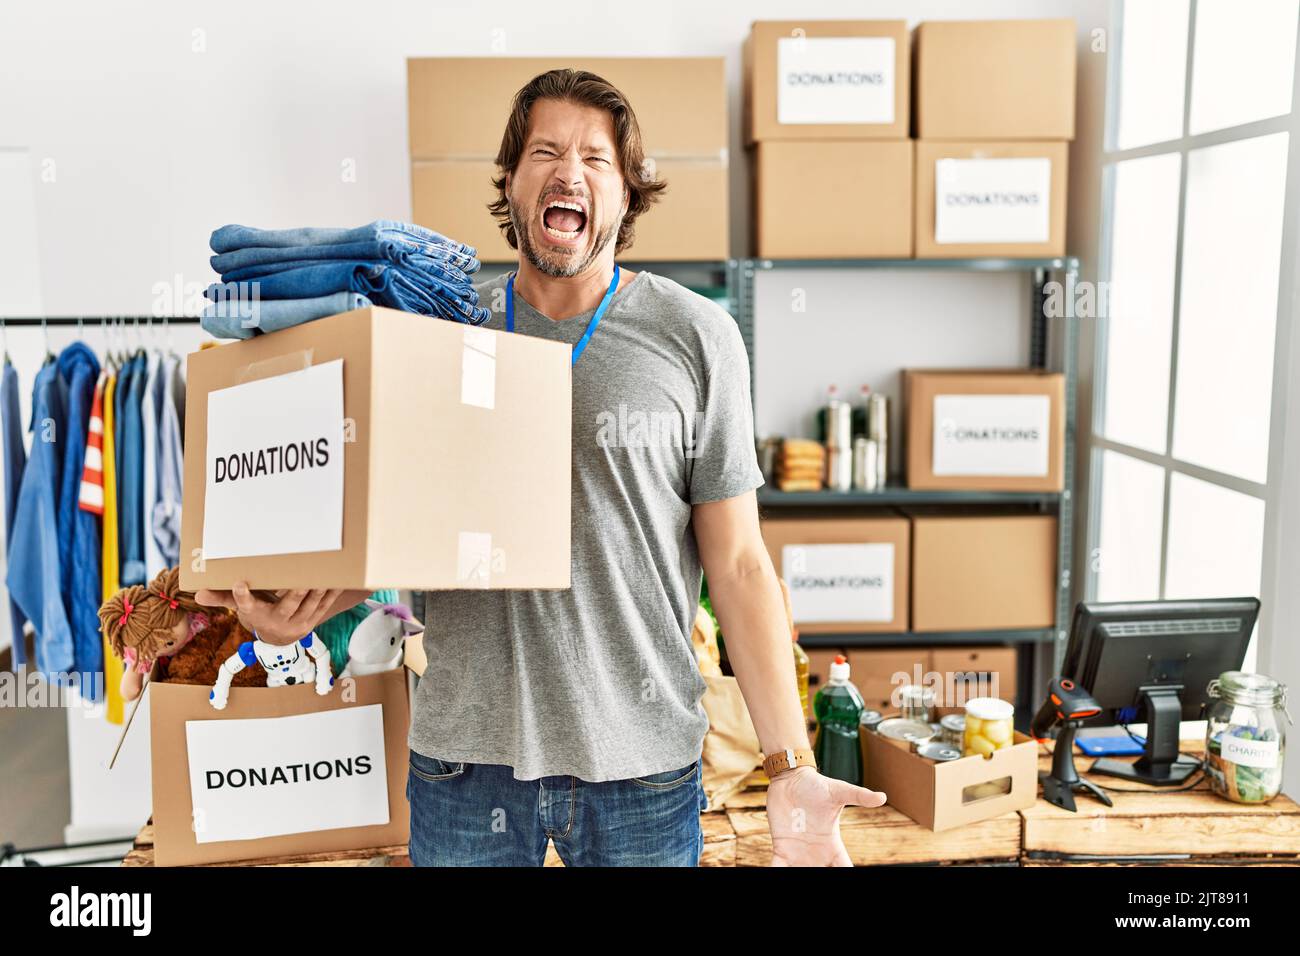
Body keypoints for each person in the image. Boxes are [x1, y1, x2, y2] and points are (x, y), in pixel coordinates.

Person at [401, 69, 885, 867]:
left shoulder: (698, 335)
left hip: (641, 772)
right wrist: (296, 600)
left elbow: (736, 563)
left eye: (596, 160)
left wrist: (789, 763)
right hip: (466, 761)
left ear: (627, 195)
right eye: (545, 152)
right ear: (512, 183)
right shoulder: (440, 331)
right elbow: (386, 519)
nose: (569, 172)